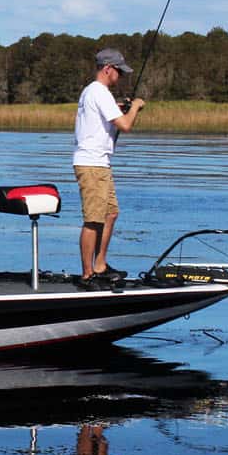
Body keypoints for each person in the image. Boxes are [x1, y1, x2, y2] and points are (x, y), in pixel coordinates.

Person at [73, 47, 145, 290]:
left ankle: (100, 265)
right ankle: (87, 275)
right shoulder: (99, 92)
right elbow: (125, 125)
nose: (121, 76)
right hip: (91, 164)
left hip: (100, 163)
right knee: (93, 220)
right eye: (119, 71)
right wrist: (135, 107)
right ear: (107, 69)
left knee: (110, 213)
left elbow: (106, 115)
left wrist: (120, 105)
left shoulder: (93, 92)